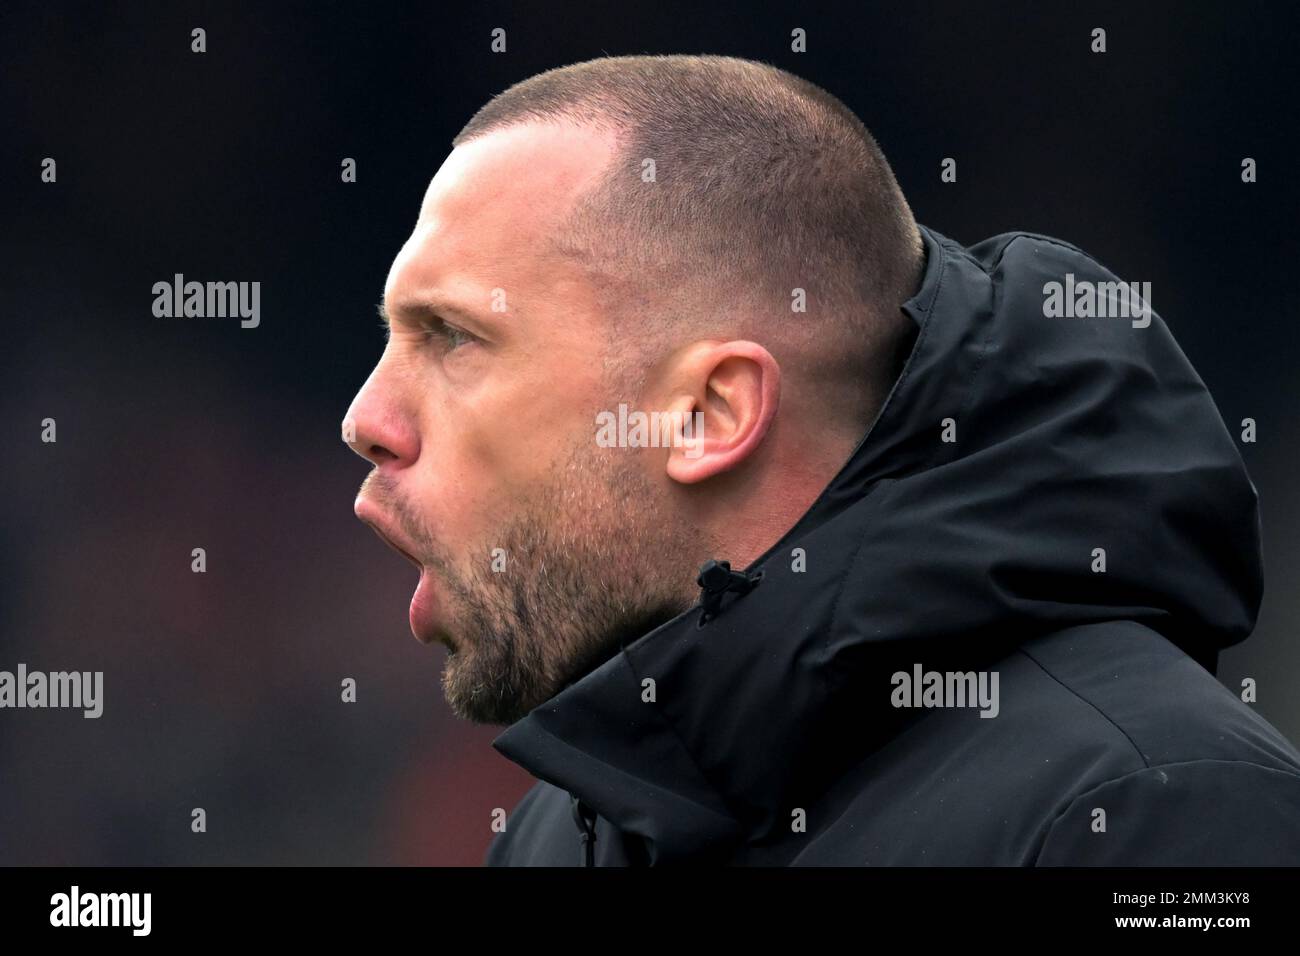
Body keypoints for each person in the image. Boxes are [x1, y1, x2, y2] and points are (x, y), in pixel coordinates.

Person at [345, 54, 1300, 865]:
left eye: (453, 337)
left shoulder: (1154, 812)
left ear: (709, 414)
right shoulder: (572, 826)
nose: (367, 418)